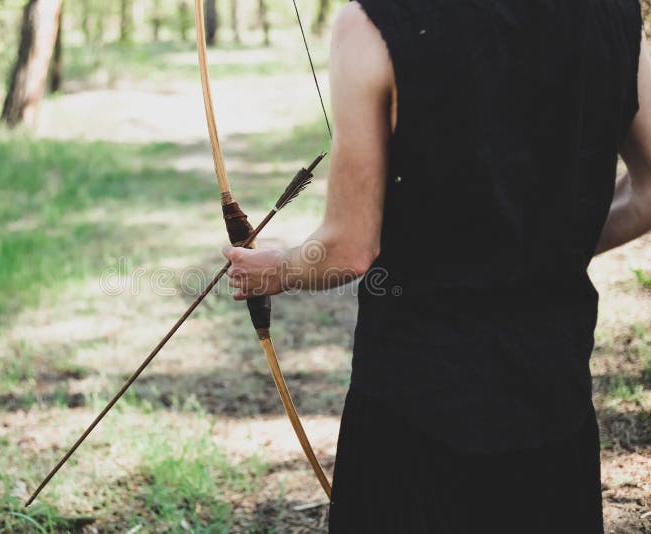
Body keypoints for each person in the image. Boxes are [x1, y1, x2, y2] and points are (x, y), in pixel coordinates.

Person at [222, 0, 651, 532]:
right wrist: (542, 247)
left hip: (415, 410)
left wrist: (277, 270)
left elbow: (349, 248)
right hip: (553, 400)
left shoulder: (372, 24)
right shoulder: (614, 14)